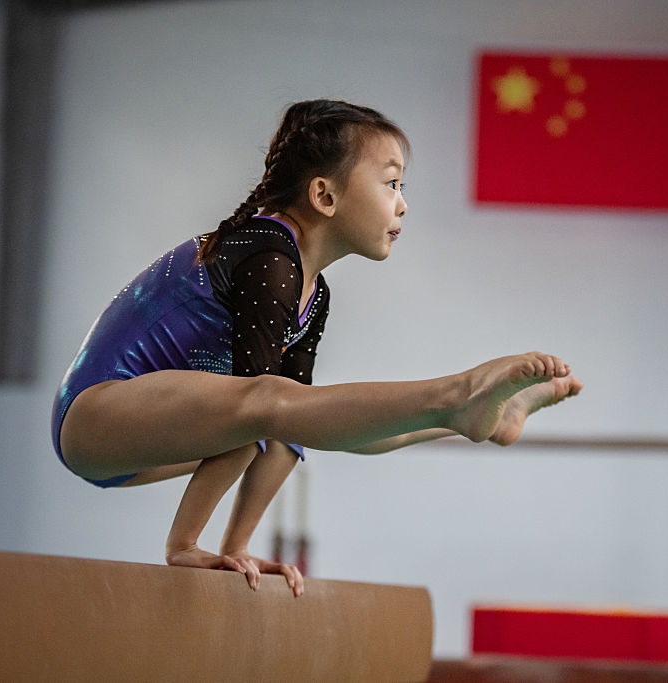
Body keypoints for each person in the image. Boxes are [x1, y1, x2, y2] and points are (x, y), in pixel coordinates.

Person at [51, 99, 582, 597]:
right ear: (325, 196)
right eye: (392, 183)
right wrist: (188, 547)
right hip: (95, 416)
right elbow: (253, 410)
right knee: (267, 405)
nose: (403, 203)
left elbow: (285, 433)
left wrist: (238, 549)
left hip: (149, 441)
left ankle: (465, 418)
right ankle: (459, 394)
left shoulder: (314, 292)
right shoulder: (268, 257)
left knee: (298, 417)